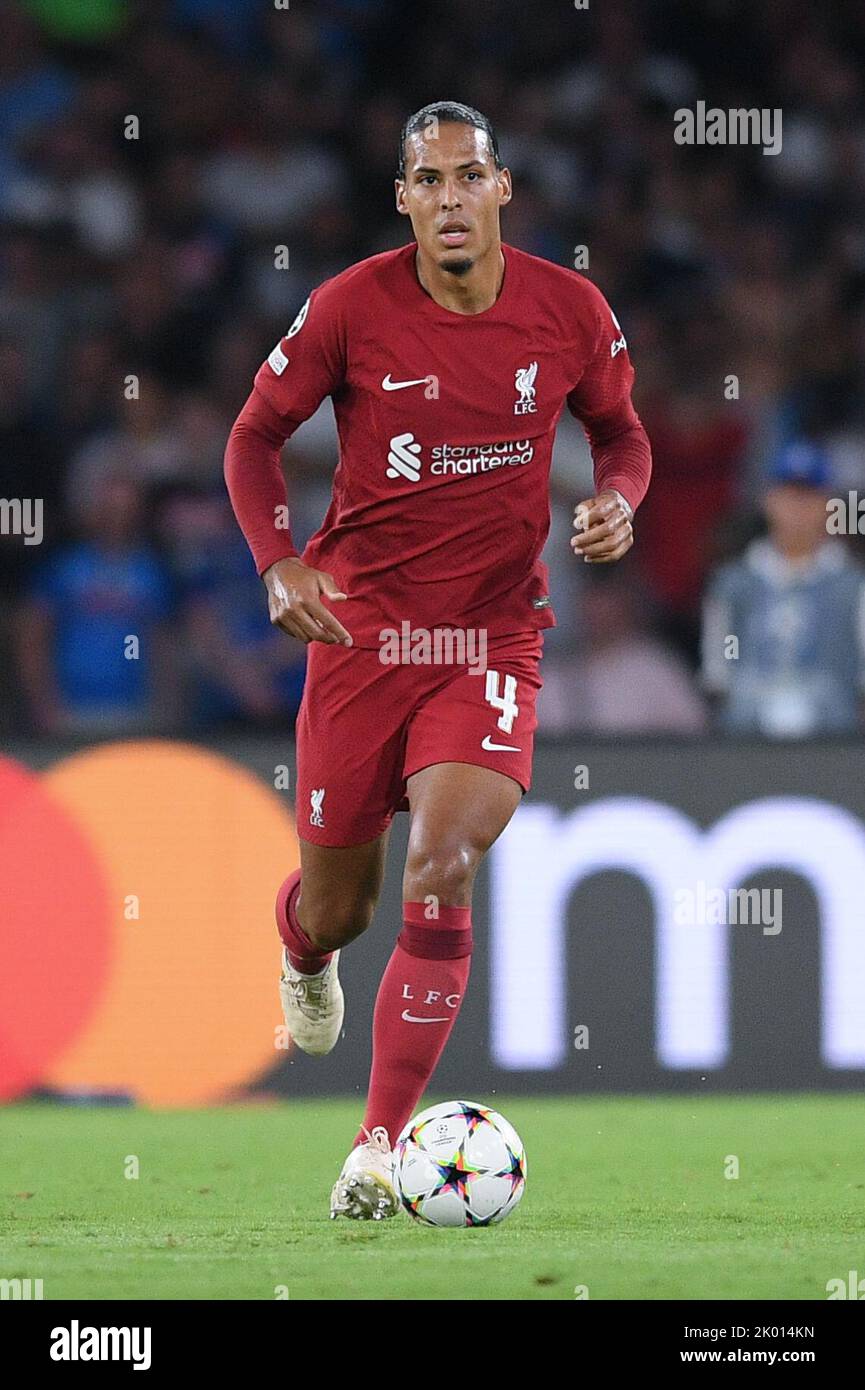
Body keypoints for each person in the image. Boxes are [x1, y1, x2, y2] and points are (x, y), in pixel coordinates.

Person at [224, 101, 652, 1218]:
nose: (451, 199)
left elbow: (623, 431)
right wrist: (277, 563)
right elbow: (251, 438)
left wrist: (618, 498)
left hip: (489, 636)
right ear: (402, 199)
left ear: (503, 188)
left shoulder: (570, 309)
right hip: (362, 637)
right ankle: (300, 950)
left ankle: (374, 1148)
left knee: (446, 862)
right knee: (338, 910)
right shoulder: (348, 308)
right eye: (429, 181)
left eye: (471, 178)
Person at [701, 441, 865, 736]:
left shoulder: (854, 586)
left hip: (833, 741)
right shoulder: (733, 585)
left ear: (828, 504)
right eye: (789, 495)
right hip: (749, 740)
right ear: (769, 500)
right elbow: (718, 679)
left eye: (809, 496)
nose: (798, 508)